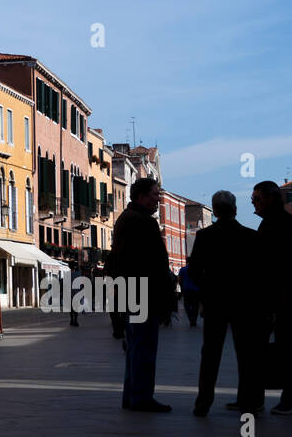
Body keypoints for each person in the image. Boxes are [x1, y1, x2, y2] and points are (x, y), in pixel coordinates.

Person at [188, 191, 268, 416]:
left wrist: (207, 289)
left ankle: (203, 403)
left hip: (215, 303)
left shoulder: (204, 237)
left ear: (213, 211)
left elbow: (193, 272)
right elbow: (262, 273)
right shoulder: (251, 237)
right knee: (246, 354)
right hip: (245, 303)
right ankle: (249, 402)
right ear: (235, 210)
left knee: (210, 354)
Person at [108, 177, 175, 412]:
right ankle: (141, 397)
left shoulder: (128, 219)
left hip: (133, 290)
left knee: (137, 345)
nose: (158, 199)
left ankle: (133, 395)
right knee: (144, 346)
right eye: (155, 194)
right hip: (142, 292)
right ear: (141, 196)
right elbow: (149, 262)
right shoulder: (141, 222)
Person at [254, 180, 292, 415]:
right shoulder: (279, 225)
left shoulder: (278, 226)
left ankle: (287, 399)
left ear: (271, 199)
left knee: (285, 347)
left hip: (279, 299)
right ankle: (265, 396)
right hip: (276, 298)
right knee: (277, 347)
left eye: (257, 199)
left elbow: (287, 266)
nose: (254, 203)